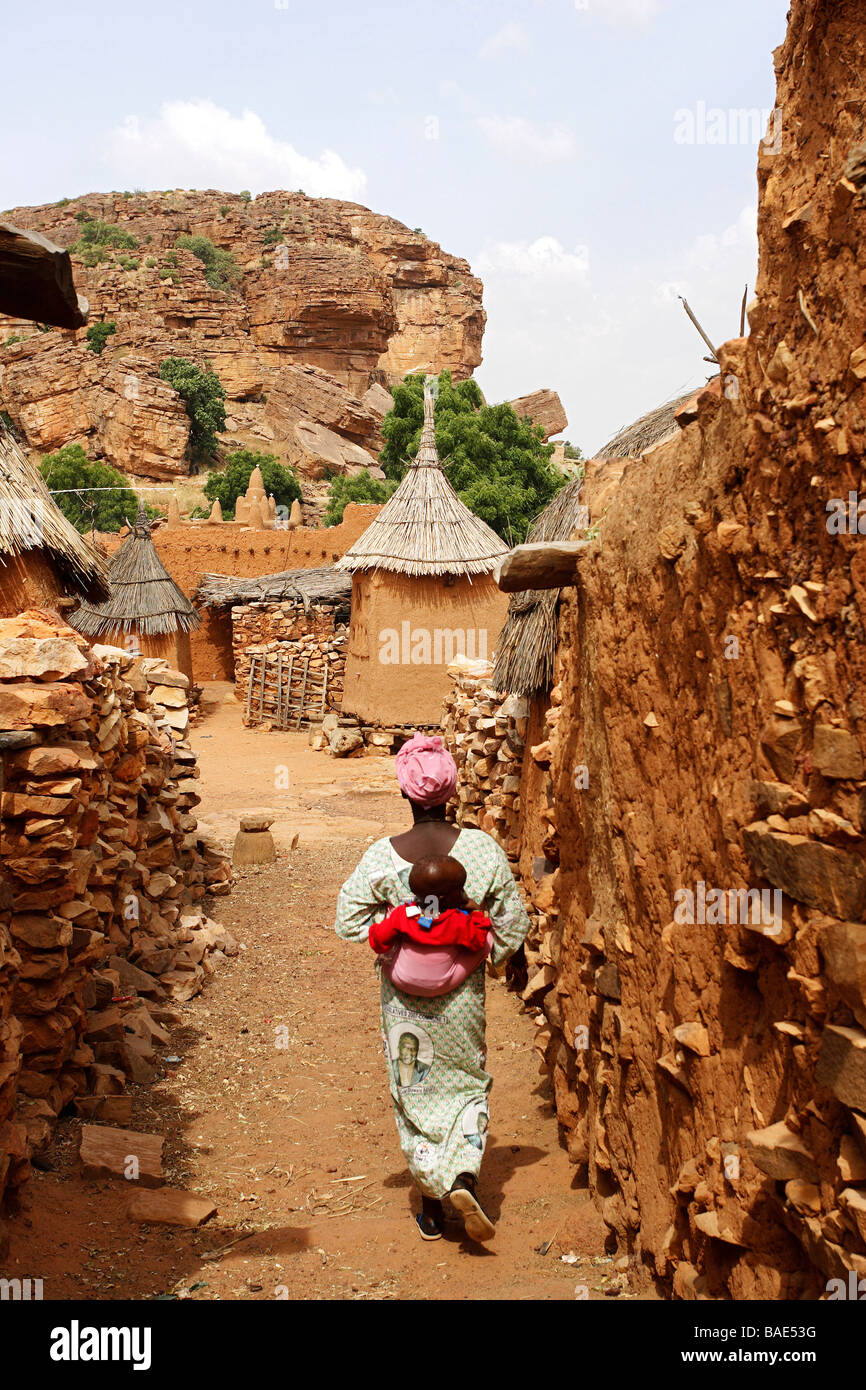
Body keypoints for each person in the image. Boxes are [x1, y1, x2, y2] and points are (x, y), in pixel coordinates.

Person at [335, 731, 530, 1243]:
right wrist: (485, 953)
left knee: (414, 1088)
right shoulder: (482, 850)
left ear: (405, 792)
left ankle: (430, 1204)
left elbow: (347, 920)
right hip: (462, 999)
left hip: (403, 1001)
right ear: (452, 791)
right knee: (466, 1082)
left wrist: (396, 934)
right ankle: (463, 1174)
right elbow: (510, 923)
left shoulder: (382, 856)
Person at [368, 855, 494, 997]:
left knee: (391, 932)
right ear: (443, 898)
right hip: (442, 984)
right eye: (460, 890)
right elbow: (477, 943)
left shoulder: (402, 914)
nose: (463, 893)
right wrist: (477, 912)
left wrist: (376, 928)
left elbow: (378, 943)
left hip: (402, 980)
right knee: (487, 937)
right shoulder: (457, 921)